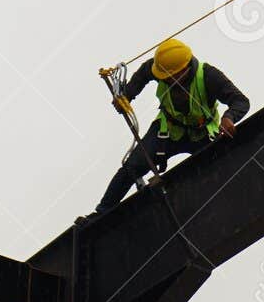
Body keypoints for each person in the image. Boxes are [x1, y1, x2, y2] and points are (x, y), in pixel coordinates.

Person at [93, 38, 249, 214]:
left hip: (202, 133)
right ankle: (102, 212)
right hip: (167, 130)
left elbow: (240, 101)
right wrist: (126, 96)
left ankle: (226, 205)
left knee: (216, 169)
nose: (164, 80)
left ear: (183, 70)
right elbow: (144, 73)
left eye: (168, 77)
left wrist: (229, 118)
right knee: (133, 167)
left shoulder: (209, 76)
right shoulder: (160, 67)